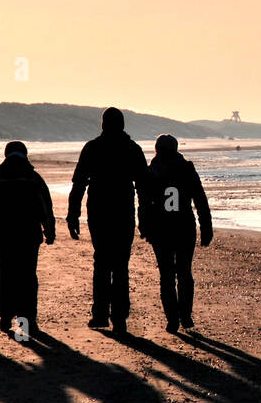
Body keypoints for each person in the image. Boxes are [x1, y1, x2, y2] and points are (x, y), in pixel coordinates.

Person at [66, 107, 149, 335]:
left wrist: (73, 214)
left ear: (103, 124)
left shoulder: (93, 148)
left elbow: (79, 184)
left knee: (102, 262)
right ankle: (119, 318)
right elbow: (144, 187)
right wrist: (145, 217)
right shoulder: (132, 149)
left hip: (99, 213)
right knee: (121, 265)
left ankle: (101, 314)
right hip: (123, 213)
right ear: (122, 125)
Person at [138, 135, 212, 334]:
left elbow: (143, 202)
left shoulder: (151, 171)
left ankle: (172, 319)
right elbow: (200, 198)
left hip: (160, 229)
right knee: (185, 272)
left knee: (166, 276)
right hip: (184, 226)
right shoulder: (186, 168)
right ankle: (185, 315)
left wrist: (144, 227)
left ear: (157, 150)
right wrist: (206, 226)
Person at [0, 141, 54, 336]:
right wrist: (49, 230)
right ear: (25, 154)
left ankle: (5, 318)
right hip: (29, 236)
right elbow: (45, 205)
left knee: (6, 275)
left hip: (2, 236)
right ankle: (26, 322)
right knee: (27, 276)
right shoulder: (33, 176)